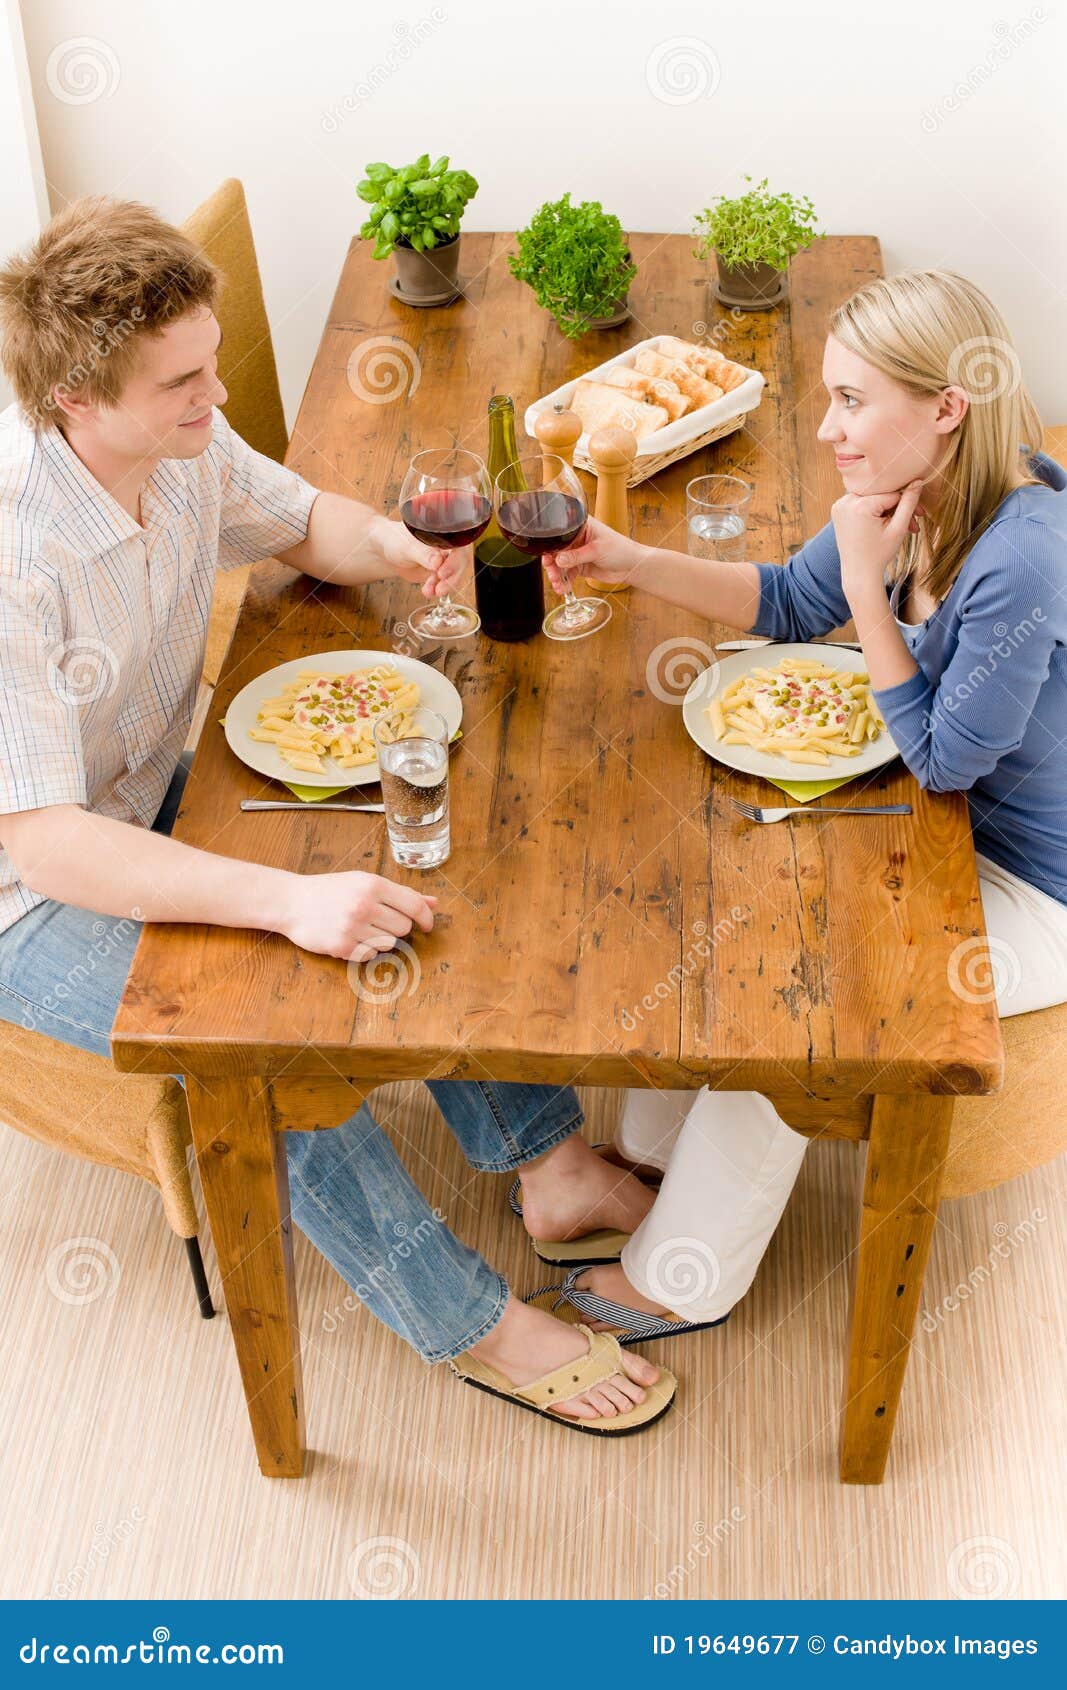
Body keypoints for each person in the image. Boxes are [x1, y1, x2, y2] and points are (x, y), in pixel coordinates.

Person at [0, 196, 672, 1433]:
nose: (214, 400)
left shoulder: (181, 446)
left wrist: (402, 548)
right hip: (33, 896)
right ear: (77, 403)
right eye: (182, 385)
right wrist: (286, 901)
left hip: (158, 788)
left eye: (211, 366)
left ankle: (550, 1164)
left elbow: (304, 518)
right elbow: (41, 840)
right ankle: (473, 1325)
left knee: (414, 849)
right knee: (272, 1053)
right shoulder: (16, 559)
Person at [526, 268, 1067, 1338]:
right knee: (722, 901)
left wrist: (869, 588)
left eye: (851, 401)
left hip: (1028, 886)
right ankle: (653, 1157)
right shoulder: (919, 492)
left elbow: (945, 761)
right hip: (937, 830)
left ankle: (686, 1277)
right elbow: (787, 601)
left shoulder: (1024, 557)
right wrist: (629, 560)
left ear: (946, 407)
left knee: (788, 999)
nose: (826, 430)